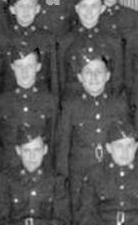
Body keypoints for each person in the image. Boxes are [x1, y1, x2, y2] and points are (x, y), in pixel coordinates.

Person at [55, 54, 132, 192]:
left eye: (99, 72)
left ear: (107, 76)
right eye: (88, 72)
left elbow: (127, 142)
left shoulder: (119, 104)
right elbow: (63, 144)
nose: (94, 77)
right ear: (80, 77)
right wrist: (63, 178)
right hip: (80, 173)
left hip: (110, 171)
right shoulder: (70, 105)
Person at [0, 42, 60, 168]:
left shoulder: (50, 102)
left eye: (30, 65)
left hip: (41, 171)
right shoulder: (0, 102)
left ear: (38, 66)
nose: (24, 71)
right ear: (12, 67)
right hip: (8, 171)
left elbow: (54, 142)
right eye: (19, 66)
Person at [58, 0, 124, 98]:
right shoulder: (65, 41)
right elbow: (60, 81)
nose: (89, 12)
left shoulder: (114, 41)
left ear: (102, 9)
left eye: (94, 6)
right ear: (77, 9)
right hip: (73, 106)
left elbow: (117, 82)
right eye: (84, 6)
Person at [0, 0, 58, 96]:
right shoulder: (2, 38)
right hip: (9, 98)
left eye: (30, 6)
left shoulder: (47, 38)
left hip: (40, 98)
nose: (26, 11)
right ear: (12, 10)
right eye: (21, 6)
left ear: (37, 9)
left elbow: (53, 75)